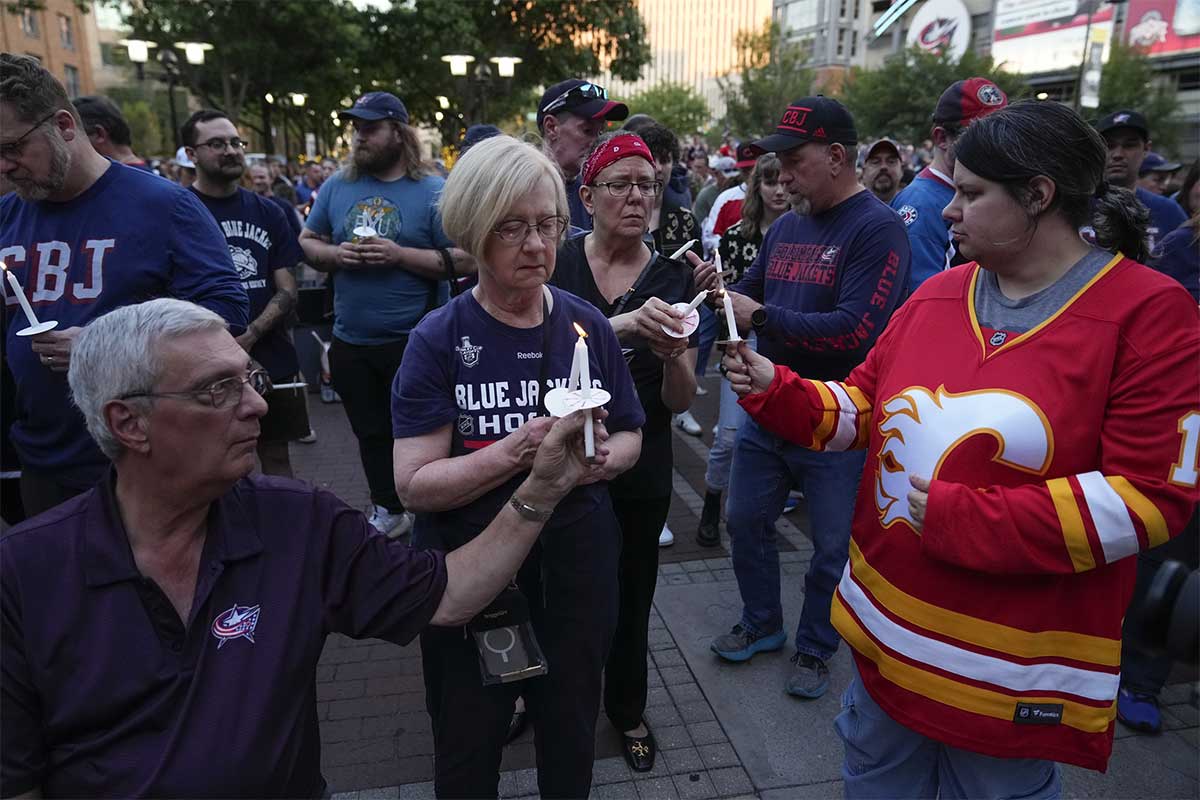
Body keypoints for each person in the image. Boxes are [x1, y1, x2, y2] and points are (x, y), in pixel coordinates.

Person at [722, 99, 1200, 797]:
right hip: (884, 642)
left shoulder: (1150, 312)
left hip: (1006, 671)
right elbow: (864, 409)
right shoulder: (940, 293)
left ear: (1038, 195)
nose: (948, 209)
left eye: (972, 194)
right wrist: (778, 388)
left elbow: (1150, 498)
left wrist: (962, 518)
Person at [0, 297, 606, 797]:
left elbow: (448, 595)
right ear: (129, 423)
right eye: (217, 390)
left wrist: (543, 488)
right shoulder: (26, 573)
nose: (258, 405)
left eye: (251, 378)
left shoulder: (296, 521)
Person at [390, 134, 644, 799]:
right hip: (475, 572)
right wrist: (516, 452)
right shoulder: (439, 339)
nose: (536, 245)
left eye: (548, 225)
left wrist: (600, 461)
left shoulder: (586, 325)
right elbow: (413, 486)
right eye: (512, 227)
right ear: (475, 231)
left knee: (571, 727)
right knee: (468, 738)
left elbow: (631, 435)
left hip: (576, 567)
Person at [691, 96, 910, 699]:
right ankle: (763, 621)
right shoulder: (787, 225)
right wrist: (719, 290)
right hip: (770, 406)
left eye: (793, 161)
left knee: (832, 547)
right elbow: (750, 291)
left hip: (839, 418)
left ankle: (816, 646)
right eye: (778, 163)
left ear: (836, 156)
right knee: (743, 519)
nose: (781, 176)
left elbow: (857, 332)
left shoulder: (879, 229)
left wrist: (759, 314)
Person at [0, 53, 247, 517]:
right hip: (44, 463)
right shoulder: (8, 216)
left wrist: (104, 344)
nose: (4, 166)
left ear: (64, 125)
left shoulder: (164, 205)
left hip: (149, 459)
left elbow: (227, 311)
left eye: (12, 147)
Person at [549, 131, 697, 770]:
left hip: (642, 460)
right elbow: (534, 353)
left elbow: (681, 399)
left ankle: (627, 708)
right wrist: (623, 328)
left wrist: (674, 357)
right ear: (588, 197)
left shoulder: (673, 276)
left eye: (648, 185)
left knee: (632, 593)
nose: (637, 197)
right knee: (552, 586)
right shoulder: (557, 264)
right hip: (559, 453)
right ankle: (541, 697)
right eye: (620, 184)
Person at [299, 91, 472, 538]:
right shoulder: (337, 186)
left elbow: (467, 257)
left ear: (399, 132)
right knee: (370, 433)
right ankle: (388, 508)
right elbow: (308, 242)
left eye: (370, 128)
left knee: (425, 432)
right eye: (356, 128)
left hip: (416, 341)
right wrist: (337, 255)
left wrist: (400, 255)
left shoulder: (432, 190)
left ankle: (434, 512)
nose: (359, 136)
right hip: (351, 339)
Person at [184, 110, 304, 478]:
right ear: (191, 154)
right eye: (217, 143)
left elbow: (287, 289)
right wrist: (225, 345)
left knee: (277, 458)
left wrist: (249, 336)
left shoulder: (269, 212)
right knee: (214, 463)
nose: (231, 150)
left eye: (236, 142)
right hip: (200, 362)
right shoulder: (176, 211)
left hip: (271, 355)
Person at [696, 153, 789, 547]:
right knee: (729, 435)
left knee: (777, 433)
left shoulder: (803, 232)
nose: (779, 190)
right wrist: (717, 296)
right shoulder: (737, 236)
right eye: (770, 182)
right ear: (757, 187)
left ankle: (761, 510)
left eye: (784, 181)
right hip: (745, 341)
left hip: (787, 341)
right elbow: (726, 300)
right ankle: (711, 499)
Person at [892, 77, 1008, 292]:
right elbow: (926, 299)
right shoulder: (922, 204)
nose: (997, 145)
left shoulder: (986, 190)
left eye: (1002, 133)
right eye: (980, 135)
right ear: (942, 138)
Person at [536, 78, 629, 231]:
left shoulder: (596, 193)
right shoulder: (519, 190)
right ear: (551, 127)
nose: (598, 142)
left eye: (600, 132)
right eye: (587, 130)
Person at [1095, 110, 1187, 252]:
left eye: (1129, 145)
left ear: (1146, 149)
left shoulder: (1169, 211)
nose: (1118, 154)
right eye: (1109, 146)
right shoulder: (1073, 208)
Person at [702, 142, 757, 255]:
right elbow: (710, 237)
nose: (751, 174)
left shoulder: (778, 195)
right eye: (746, 170)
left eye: (754, 169)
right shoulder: (725, 198)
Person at [71, 95, 152, 171]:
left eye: (72, 138)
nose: (70, 148)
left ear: (99, 134)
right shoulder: (145, 175)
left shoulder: (120, 179)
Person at [861, 137, 903, 204]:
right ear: (864, 172)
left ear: (902, 170)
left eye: (891, 161)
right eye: (875, 162)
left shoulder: (914, 205)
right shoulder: (851, 208)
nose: (883, 167)